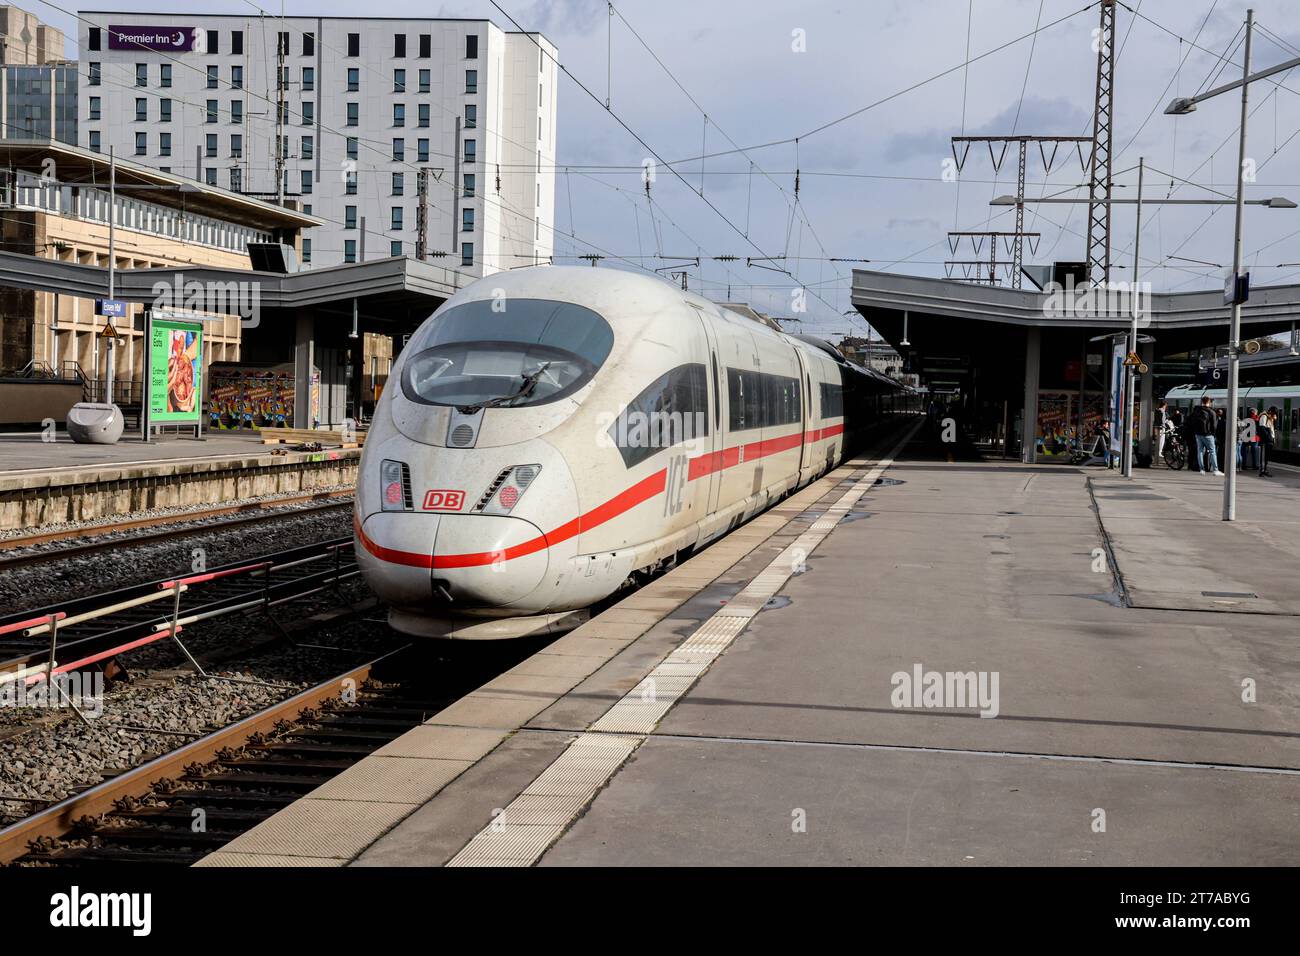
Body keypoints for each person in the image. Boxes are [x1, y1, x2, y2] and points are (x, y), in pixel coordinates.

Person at [1188, 395, 1223, 475]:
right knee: (1212, 451)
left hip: (1198, 434)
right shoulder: (1211, 412)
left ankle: (1201, 469)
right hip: (1208, 435)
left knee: (1200, 451)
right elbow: (1214, 426)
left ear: (1202, 402)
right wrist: (1213, 434)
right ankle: (1215, 470)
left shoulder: (1196, 410)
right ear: (1209, 402)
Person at [1257, 406, 1278, 478]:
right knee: (1263, 455)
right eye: (1274, 413)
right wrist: (1268, 437)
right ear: (1270, 411)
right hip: (1264, 440)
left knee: (1266, 456)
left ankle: (1265, 470)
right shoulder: (1264, 416)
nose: (1274, 415)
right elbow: (1262, 428)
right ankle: (1262, 471)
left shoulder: (1269, 418)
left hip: (1269, 440)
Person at [1153, 400, 1168, 466]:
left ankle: (1157, 458)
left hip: (1157, 426)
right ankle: (1159, 453)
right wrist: (1164, 424)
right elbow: (1162, 420)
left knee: (1157, 441)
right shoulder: (1162, 411)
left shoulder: (1157, 410)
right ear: (1164, 405)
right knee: (1161, 441)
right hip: (1161, 427)